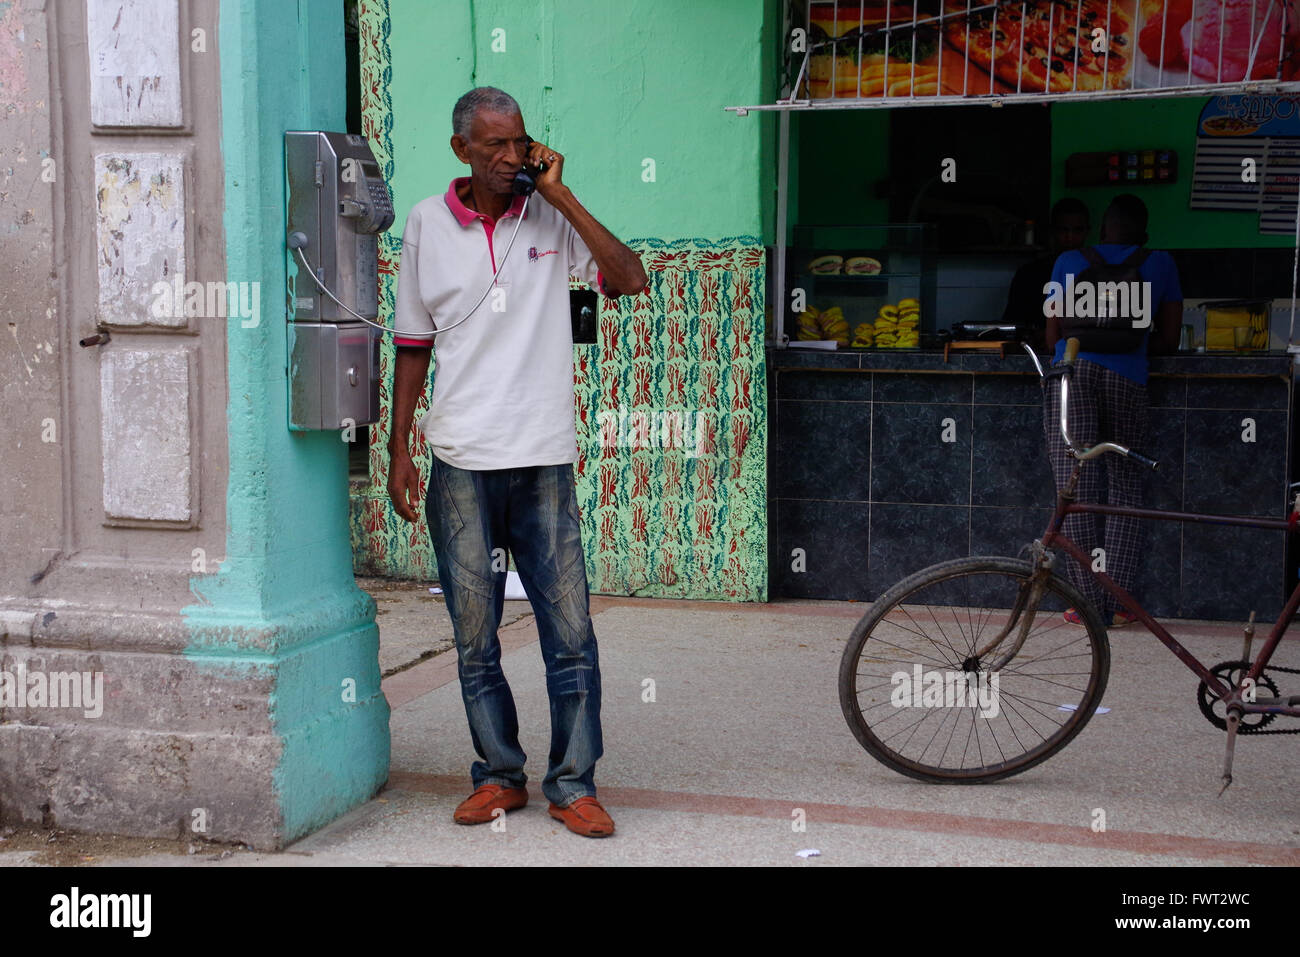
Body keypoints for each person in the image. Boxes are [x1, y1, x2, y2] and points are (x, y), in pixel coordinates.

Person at [386, 87, 647, 838]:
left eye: (520, 144)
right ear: (460, 148)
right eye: (494, 146)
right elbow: (411, 345)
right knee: (476, 638)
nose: (510, 159)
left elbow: (629, 279)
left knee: (570, 634)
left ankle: (574, 782)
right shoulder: (427, 225)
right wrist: (401, 448)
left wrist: (560, 194)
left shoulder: (550, 218)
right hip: (461, 460)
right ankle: (499, 776)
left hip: (543, 460)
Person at [1043, 193, 1181, 627]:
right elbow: (1169, 341)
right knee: (1125, 487)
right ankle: (1118, 604)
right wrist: (1131, 347)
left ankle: (1084, 604)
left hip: (1073, 373)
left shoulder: (1068, 260)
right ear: (1143, 231)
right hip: (1128, 378)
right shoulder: (1160, 262)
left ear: (1102, 230)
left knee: (1075, 485)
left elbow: (1052, 335)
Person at [1002, 198, 1091, 351]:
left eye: (1077, 230)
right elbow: (1012, 325)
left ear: (1087, 231)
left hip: (1083, 355)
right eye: (1063, 230)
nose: (1070, 237)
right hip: (1033, 355)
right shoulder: (1029, 274)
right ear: (1052, 231)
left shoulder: (1094, 273)